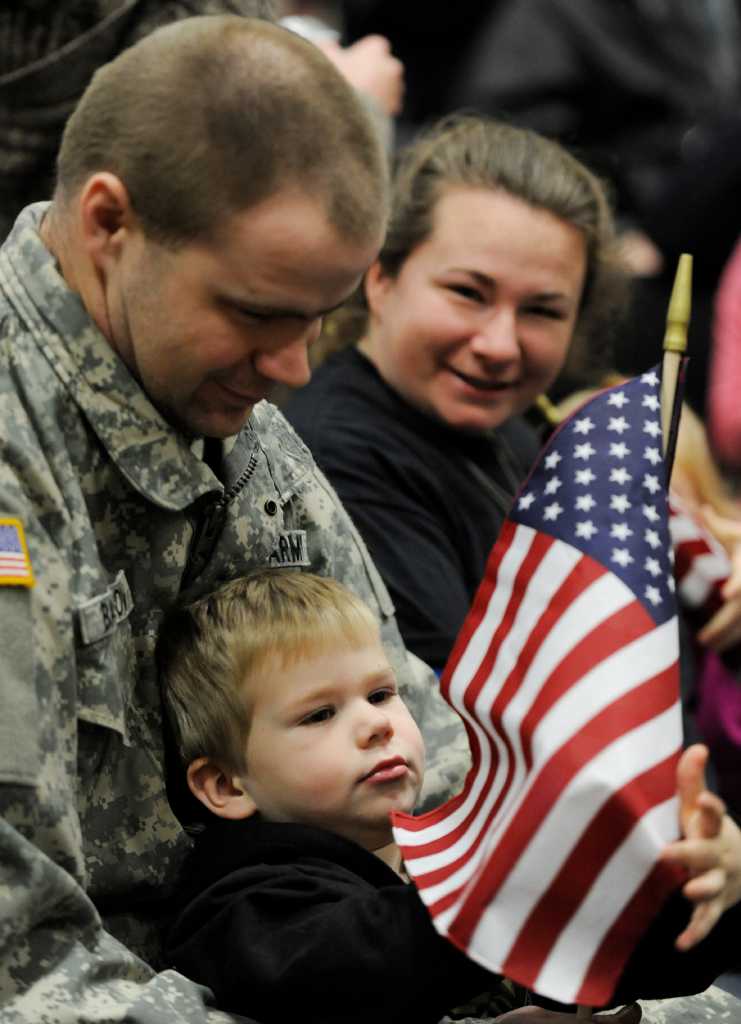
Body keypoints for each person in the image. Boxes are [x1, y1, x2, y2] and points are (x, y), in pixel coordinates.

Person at [0, 16, 469, 1022]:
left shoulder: (221, 406)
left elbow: (426, 751)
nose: (294, 369)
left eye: (319, 320)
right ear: (109, 224)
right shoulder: (13, 451)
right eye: (258, 312)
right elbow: (23, 964)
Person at [160, 568, 741, 1024]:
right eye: (319, 714)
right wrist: (516, 881)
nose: (375, 725)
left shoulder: (434, 859)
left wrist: (699, 889)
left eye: (382, 694)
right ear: (226, 786)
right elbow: (356, 967)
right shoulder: (237, 902)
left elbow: (613, 959)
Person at [284, 114, 626, 671]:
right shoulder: (338, 464)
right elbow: (455, 723)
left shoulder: (509, 432)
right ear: (380, 278)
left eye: (542, 310)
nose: (500, 345)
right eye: (468, 292)